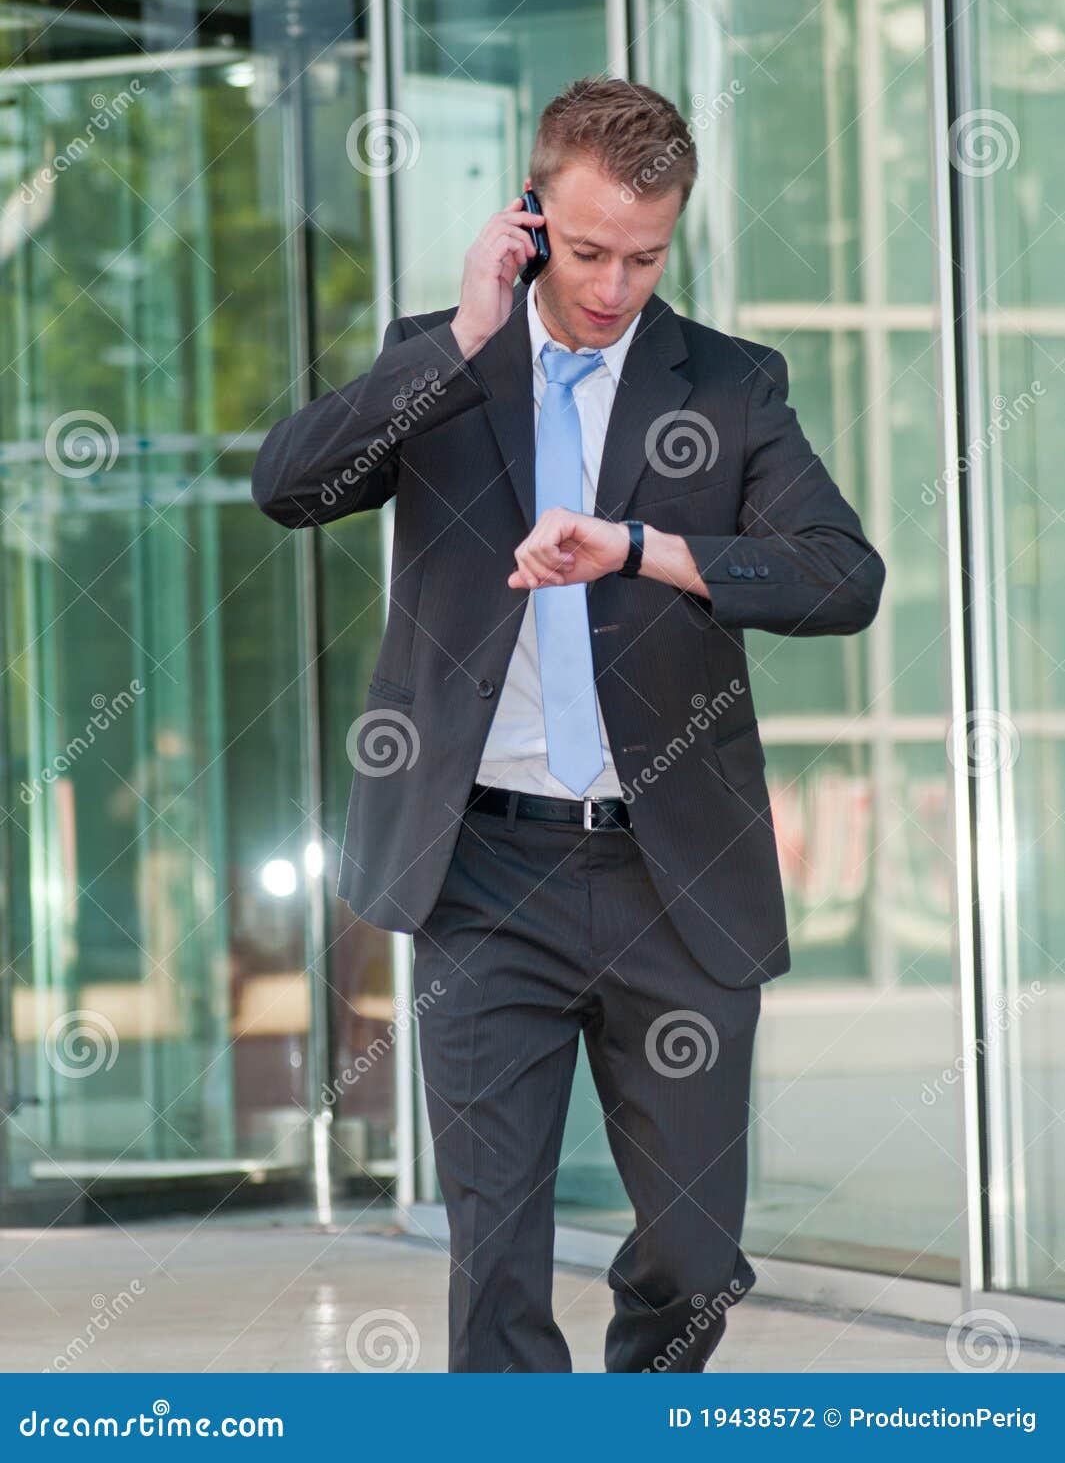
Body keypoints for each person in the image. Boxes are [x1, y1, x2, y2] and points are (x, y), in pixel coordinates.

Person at [252, 77, 886, 1373]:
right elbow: (289, 485)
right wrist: (461, 337)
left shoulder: (728, 383)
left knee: (695, 1256)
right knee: (496, 1259)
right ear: (531, 218)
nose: (612, 285)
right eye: (587, 251)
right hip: (483, 872)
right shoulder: (443, 355)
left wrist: (646, 548)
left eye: (643, 257)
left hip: (674, 878)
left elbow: (840, 574)